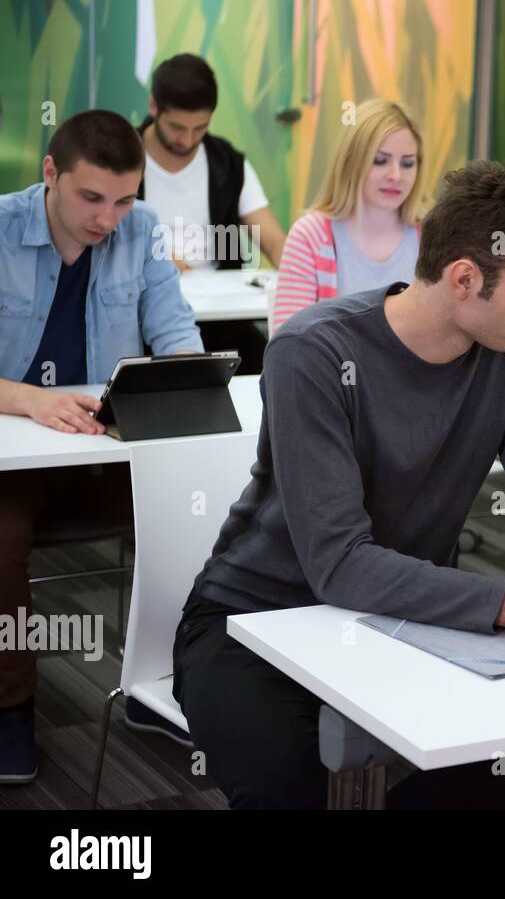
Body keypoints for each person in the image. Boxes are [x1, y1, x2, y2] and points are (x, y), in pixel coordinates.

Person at [173, 160, 505, 808]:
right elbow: (338, 564)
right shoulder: (311, 354)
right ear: (464, 278)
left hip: (410, 619)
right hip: (256, 619)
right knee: (285, 788)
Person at [0, 110, 202, 784]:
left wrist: (180, 375)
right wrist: (30, 398)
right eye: (91, 197)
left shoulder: (140, 232)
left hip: (103, 444)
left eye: (123, 199)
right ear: (50, 173)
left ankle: (170, 684)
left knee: (204, 507)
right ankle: (10, 707)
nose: (107, 218)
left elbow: (175, 333)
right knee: (0, 534)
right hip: (18, 452)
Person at [138, 53, 288, 372]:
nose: (187, 139)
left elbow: (274, 242)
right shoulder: (123, 157)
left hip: (220, 317)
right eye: (177, 127)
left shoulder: (228, 163)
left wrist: (300, 276)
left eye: (200, 128)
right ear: (154, 107)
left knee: (277, 369)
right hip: (142, 316)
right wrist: (157, 260)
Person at [271, 99, 428, 333]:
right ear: (351, 162)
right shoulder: (310, 236)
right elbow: (289, 344)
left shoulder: (432, 234)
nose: (396, 175)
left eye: (407, 163)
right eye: (380, 161)